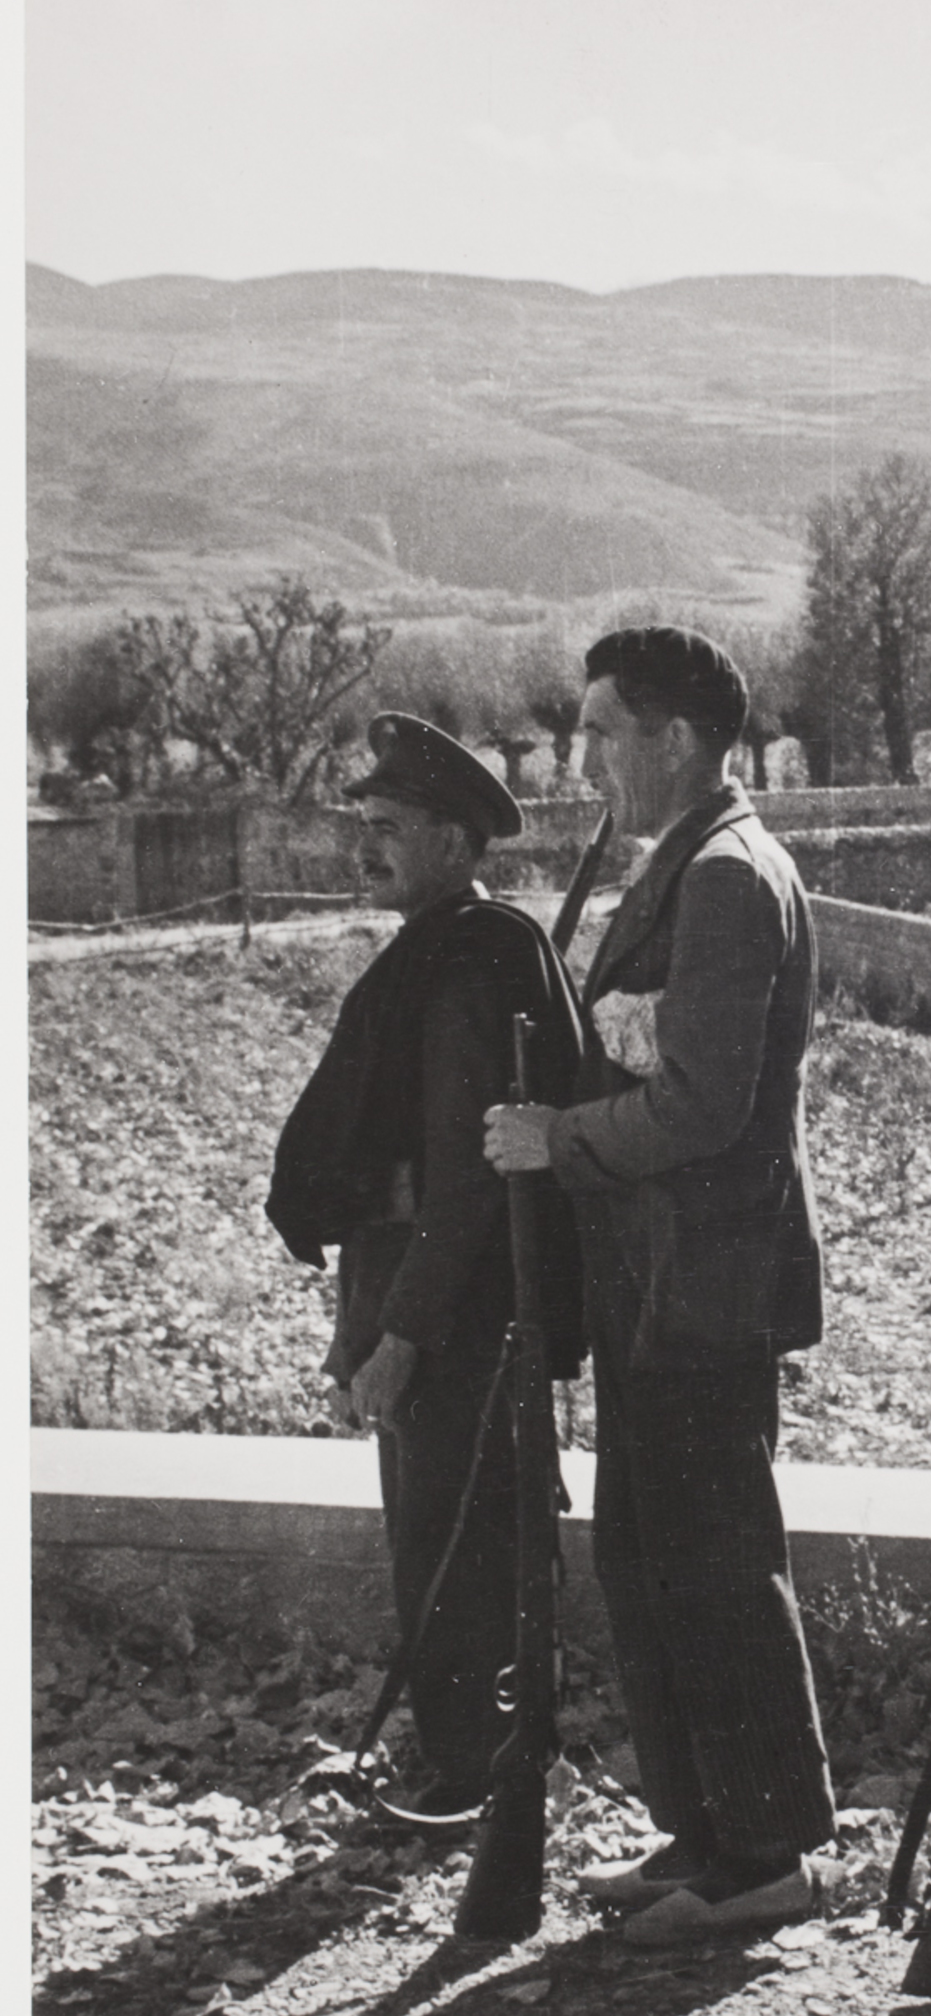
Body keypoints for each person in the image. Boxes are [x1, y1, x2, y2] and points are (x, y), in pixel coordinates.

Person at [485, 625, 836, 1945]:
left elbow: (696, 1110)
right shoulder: (684, 864)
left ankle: (765, 1858)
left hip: (703, 1280)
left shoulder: (730, 878)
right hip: (658, 1279)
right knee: (650, 1557)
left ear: (675, 740)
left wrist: (555, 1140)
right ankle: (703, 1832)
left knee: (711, 1560)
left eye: (600, 734)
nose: (584, 760)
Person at [268, 714, 587, 1826]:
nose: (369, 848)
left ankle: (480, 1786)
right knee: (445, 1535)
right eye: (364, 824)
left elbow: (459, 1182)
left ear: (454, 840)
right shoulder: (450, 948)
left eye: (391, 827)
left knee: (458, 1544)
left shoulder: (467, 962)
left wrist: (399, 1335)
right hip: (430, 1299)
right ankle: (478, 1773)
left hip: (456, 1316)